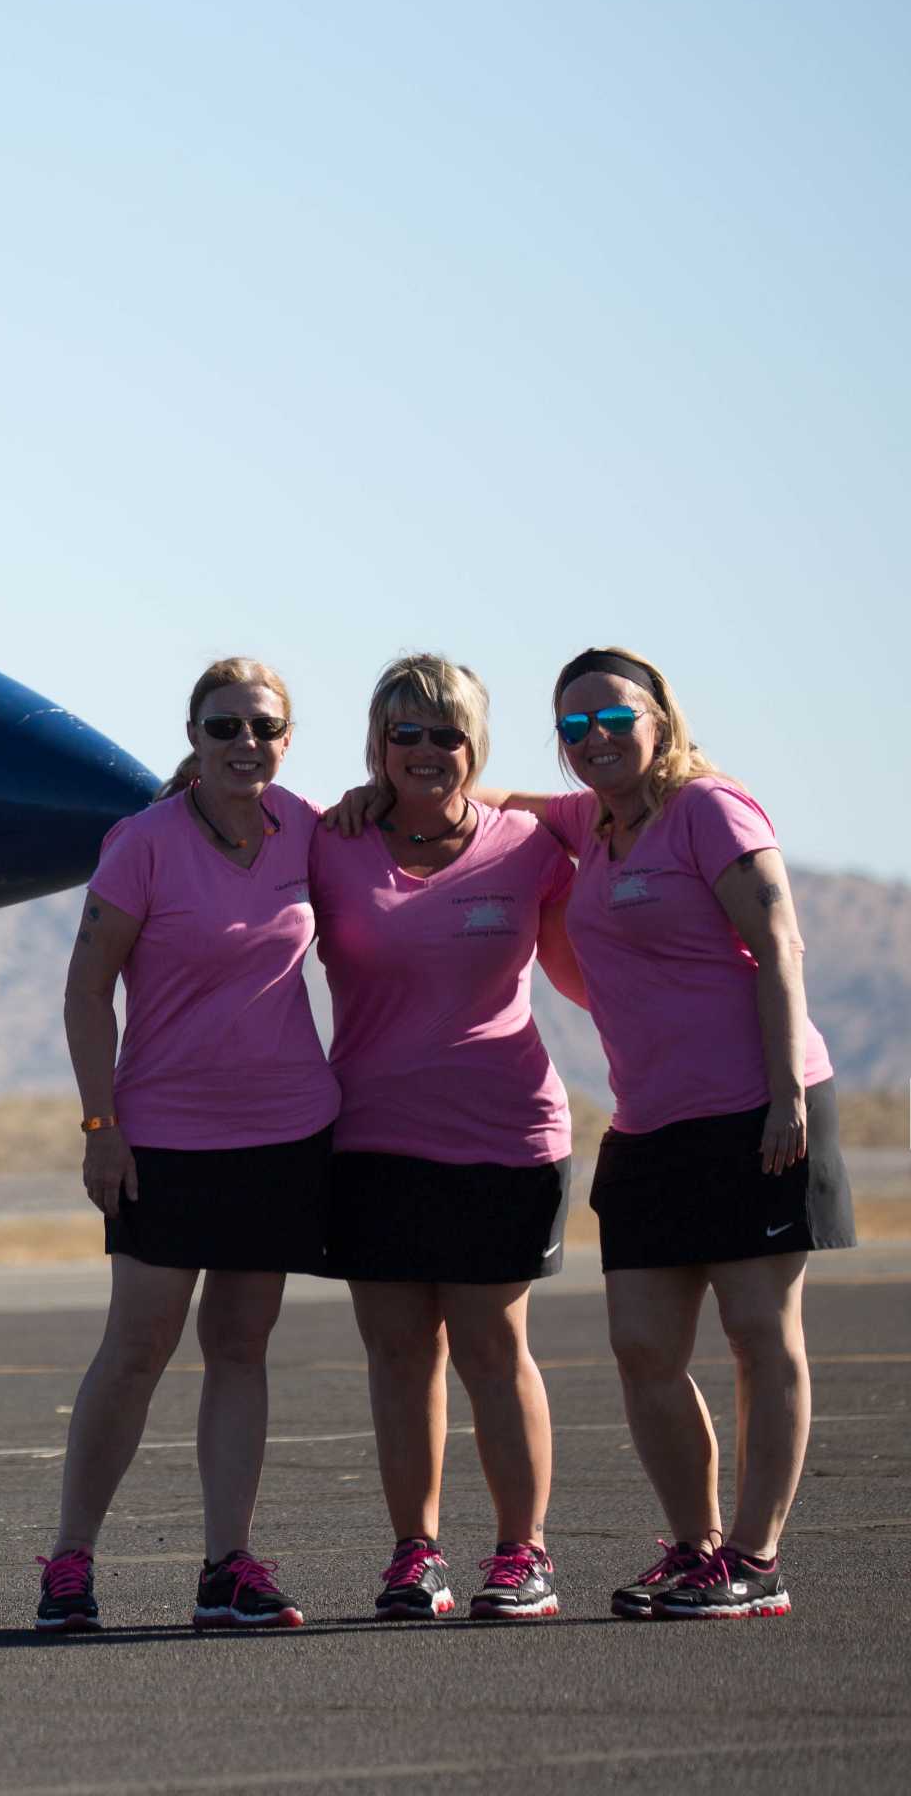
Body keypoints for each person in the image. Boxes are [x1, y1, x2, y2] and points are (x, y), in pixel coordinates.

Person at [535, 647, 847, 1619]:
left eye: (614, 719)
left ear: (660, 719)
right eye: (575, 726)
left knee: (760, 1332)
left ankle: (755, 1559)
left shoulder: (708, 807)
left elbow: (780, 938)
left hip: (758, 1105)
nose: (595, 739)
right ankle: (694, 1546)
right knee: (642, 1343)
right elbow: (486, 796)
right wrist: (370, 799)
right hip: (650, 1121)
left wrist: (784, 1091)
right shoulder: (594, 820)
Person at [36, 657, 338, 1633]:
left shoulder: (309, 828)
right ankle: (72, 1560)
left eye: (263, 726)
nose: (244, 743)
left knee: (241, 1345)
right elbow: (87, 991)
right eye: (224, 727)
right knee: (137, 1345)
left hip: (285, 1131)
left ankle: (227, 1565)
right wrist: (101, 1127)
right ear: (193, 737)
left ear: (286, 737)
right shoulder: (144, 842)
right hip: (164, 1137)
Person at [309, 656, 579, 1622]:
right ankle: (415, 1556)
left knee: (492, 1347)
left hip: (505, 1133)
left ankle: (523, 1554)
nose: (428, 750)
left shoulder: (528, 844)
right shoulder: (327, 843)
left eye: (447, 733)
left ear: (478, 746)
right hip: (372, 1137)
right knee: (398, 1356)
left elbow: (644, 811)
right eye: (406, 733)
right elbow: (224, 827)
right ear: (377, 745)